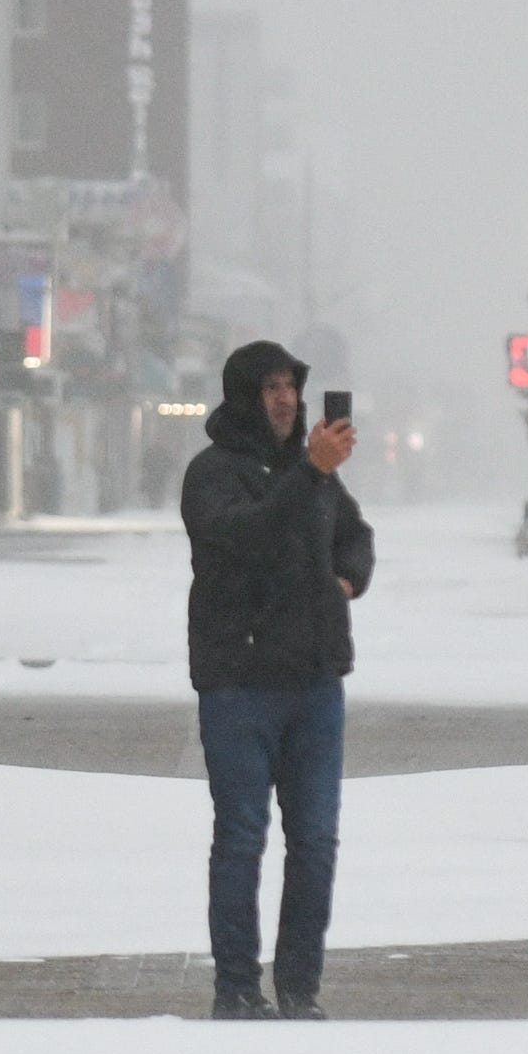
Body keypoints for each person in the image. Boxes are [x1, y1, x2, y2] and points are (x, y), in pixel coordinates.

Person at [179, 338, 373, 1019]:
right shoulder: (212, 473)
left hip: (315, 682)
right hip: (239, 681)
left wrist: (349, 574)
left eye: (290, 384)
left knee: (315, 841)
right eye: (270, 388)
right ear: (244, 397)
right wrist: (310, 475)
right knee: (241, 838)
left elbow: (354, 533)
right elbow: (248, 537)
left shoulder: (314, 473)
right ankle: (236, 988)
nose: (285, 398)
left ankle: (299, 988)